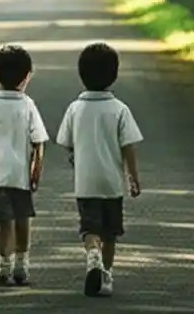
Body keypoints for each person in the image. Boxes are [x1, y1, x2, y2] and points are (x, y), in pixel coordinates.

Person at [55, 42, 144, 298]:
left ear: (82, 74)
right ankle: (106, 274)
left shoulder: (75, 108)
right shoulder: (120, 110)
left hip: (86, 183)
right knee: (111, 232)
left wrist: (76, 156)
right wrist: (133, 177)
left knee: (90, 228)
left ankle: (92, 254)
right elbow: (128, 147)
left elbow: (67, 142)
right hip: (112, 184)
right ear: (114, 74)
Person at [0, 45, 48, 287]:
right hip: (21, 177)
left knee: (5, 224)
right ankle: (22, 264)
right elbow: (39, 142)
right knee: (23, 221)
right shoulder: (28, 105)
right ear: (27, 77)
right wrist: (36, 170)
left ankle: (4, 266)